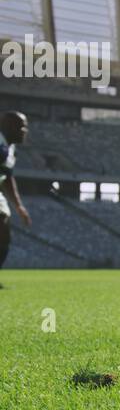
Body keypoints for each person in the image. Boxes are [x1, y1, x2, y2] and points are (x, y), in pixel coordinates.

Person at [0, 111, 31, 289]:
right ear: (9, 126)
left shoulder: (10, 149)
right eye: (21, 126)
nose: (25, 130)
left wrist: (19, 206)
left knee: (4, 234)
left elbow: (8, 177)